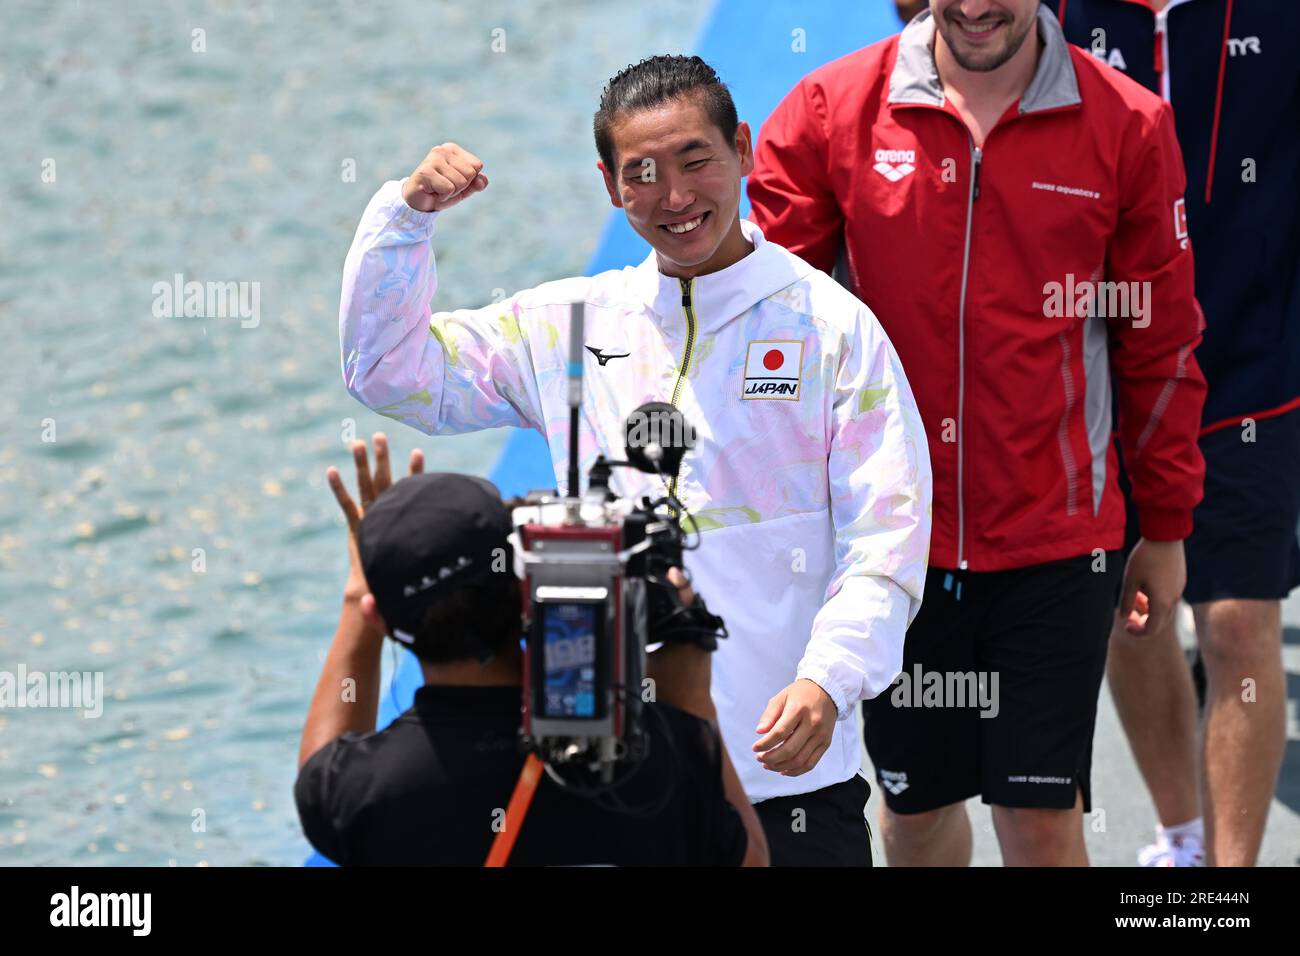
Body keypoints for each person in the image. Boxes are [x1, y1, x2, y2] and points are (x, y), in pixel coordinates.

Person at [337, 55, 932, 865]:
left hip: (785, 777)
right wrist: (406, 221)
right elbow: (390, 373)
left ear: (745, 150)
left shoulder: (831, 328)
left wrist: (829, 678)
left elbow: (887, 537)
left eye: (696, 161)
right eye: (643, 173)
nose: (676, 196)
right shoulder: (565, 325)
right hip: (607, 788)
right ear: (611, 186)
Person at [749, 0, 1207, 865]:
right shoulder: (830, 111)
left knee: (1039, 824)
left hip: (1058, 544)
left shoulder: (1129, 124)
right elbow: (762, 325)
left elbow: (1164, 342)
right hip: (893, 547)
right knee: (913, 819)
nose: (975, 6)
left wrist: (1170, 526)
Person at [1046, 0, 1300, 867]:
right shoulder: (1047, 16)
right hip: (1104, 372)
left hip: (1255, 371)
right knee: (1136, 613)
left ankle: (1230, 881)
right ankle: (1182, 836)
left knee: (1236, 624)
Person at [295, 435, 768, 866]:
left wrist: (358, 596)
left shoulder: (364, 791)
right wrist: (692, 706)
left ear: (379, 618)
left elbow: (317, 770)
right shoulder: (647, 757)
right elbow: (751, 860)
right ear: (527, 585)